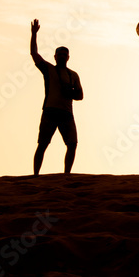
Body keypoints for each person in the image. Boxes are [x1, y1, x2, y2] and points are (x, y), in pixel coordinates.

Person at [30, 19, 83, 175]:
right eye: (59, 54)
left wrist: (70, 92)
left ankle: (67, 174)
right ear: (54, 57)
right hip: (50, 111)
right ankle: (35, 175)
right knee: (43, 144)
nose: (61, 57)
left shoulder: (73, 75)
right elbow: (34, 54)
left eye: (64, 54)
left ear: (68, 57)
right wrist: (34, 34)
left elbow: (80, 95)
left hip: (66, 113)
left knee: (72, 144)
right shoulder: (49, 70)